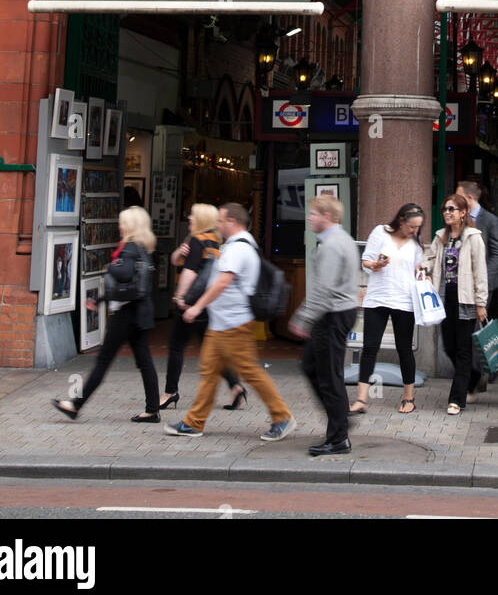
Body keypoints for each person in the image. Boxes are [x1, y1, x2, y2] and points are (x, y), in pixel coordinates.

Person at [166, 203, 296, 441]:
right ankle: (194, 422)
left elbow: (223, 282)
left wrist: (197, 306)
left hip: (234, 324)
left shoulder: (238, 249)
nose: (217, 225)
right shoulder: (237, 246)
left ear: (232, 222)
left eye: (221, 220)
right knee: (209, 371)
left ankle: (282, 416)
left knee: (250, 371)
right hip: (222, 323)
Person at [52, 206, 160, 423]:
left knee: (103, 361)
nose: (119, 226)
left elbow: (124, 274)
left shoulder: (129, 247)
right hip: (140, 312)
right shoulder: (144, 248)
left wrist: (109, 267)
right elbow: (129, 285)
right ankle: (152, 410)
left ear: (130, 225)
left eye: (122, 222)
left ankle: (75, 405)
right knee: (145, 362)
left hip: (126, 314)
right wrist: (101, 301)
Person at [288, 195, 360, 456]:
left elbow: (324, 289)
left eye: (314, 214)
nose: (310, 218)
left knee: (329, 377)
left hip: (332, 316)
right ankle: (340, 419)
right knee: (312, 367)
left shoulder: (331, 246)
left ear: (327, 216)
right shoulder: (344, 240)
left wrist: (303, 318)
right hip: (338, 312)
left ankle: (339, 438)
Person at [159, 203, 244, 413]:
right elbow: (177, 261)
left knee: (177, 347)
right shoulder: (216, 241)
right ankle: (235, 386)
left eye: (193, 216)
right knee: (212, 348)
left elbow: (189, 272)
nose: (189, 218)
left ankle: (170, 392)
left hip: (191, 303)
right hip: (208, 302)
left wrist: (180, 297)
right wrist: (179, 251)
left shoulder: (197, 240)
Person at [349, 202, 425, 416]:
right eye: (412, 227)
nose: (415, 231)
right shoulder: (380, 232)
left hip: (404, 300)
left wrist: (423, 274)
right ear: (401, 220)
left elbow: (417, 268)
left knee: (404, 348)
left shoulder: (416, 243)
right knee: (370, 346)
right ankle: (361, 399)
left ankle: (408, 396)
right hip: (378, 297)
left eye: (418, 227)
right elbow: (365, 260)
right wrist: (376, 265)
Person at [419, 192, 488, 414]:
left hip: (466, 299)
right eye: (445, 209)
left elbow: (481, 271)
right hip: (443, 299)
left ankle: (456, 399)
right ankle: (474, 375)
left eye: (452, 209)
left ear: (463, 213)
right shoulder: (441, 237)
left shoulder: (473, 237)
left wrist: (481, 302)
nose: (447, 213)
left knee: (463, 349)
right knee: (449, 346)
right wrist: (424, 270)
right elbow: (428, 258)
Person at [458, 179, 498, 391]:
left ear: (469, 198)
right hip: (461, 285)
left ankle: (481, 374)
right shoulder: (457, 219)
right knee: (466, 332)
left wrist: (482, 277)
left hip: (484, 286)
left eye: (458, 196)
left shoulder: (490, 220)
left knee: (479, 331)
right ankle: (476, 373)